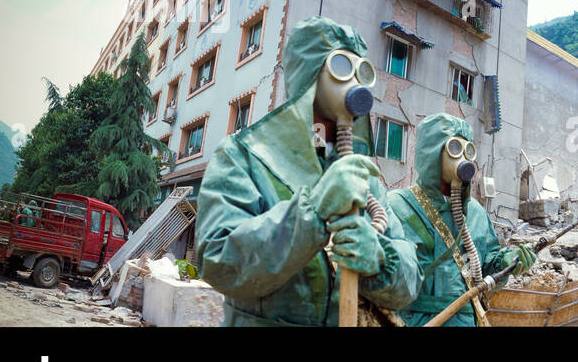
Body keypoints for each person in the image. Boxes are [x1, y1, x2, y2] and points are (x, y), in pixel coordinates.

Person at [196, 17, 421, 326]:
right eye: (341, 68)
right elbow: (218, 262)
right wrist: (311, 213)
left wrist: (380, 259)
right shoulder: (243, 157)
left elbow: (410, 281)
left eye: (362, 72)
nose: (354, 83)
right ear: (310, 74)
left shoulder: (362, 174)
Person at [385, 114, 535, 327]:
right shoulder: (397, 205)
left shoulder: (474, 212)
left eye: (469, 151)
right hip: (415, 320)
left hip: (466, 319)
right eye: (454, 149)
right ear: (431, 153)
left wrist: (506, 261)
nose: (463, 158)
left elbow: (483, 266)